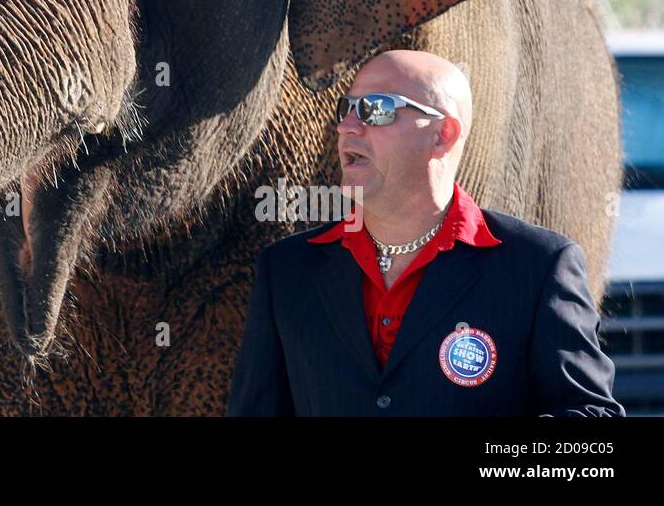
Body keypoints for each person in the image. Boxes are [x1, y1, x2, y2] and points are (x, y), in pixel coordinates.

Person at [226, 49, 623, 416]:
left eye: (376, 109)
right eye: (345, 109)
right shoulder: (287, 269)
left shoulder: (538, 265)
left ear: (442, 134)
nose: (347, 127)